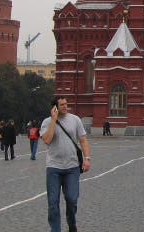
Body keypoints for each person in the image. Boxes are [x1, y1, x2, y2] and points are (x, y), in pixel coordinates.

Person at [41, 96, 91, 232]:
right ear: (55, 107)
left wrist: (87, 158)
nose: (65, 106)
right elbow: (47, 139)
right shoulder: (46, 122)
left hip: (72, 167)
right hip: (53, 168)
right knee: (53, 203)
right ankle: (55, 229)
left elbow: (83, 140)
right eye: (62, 104)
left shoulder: (75, 120)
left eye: (66, 104)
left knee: (72, 199)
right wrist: (53, 120)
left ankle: (71, 222)